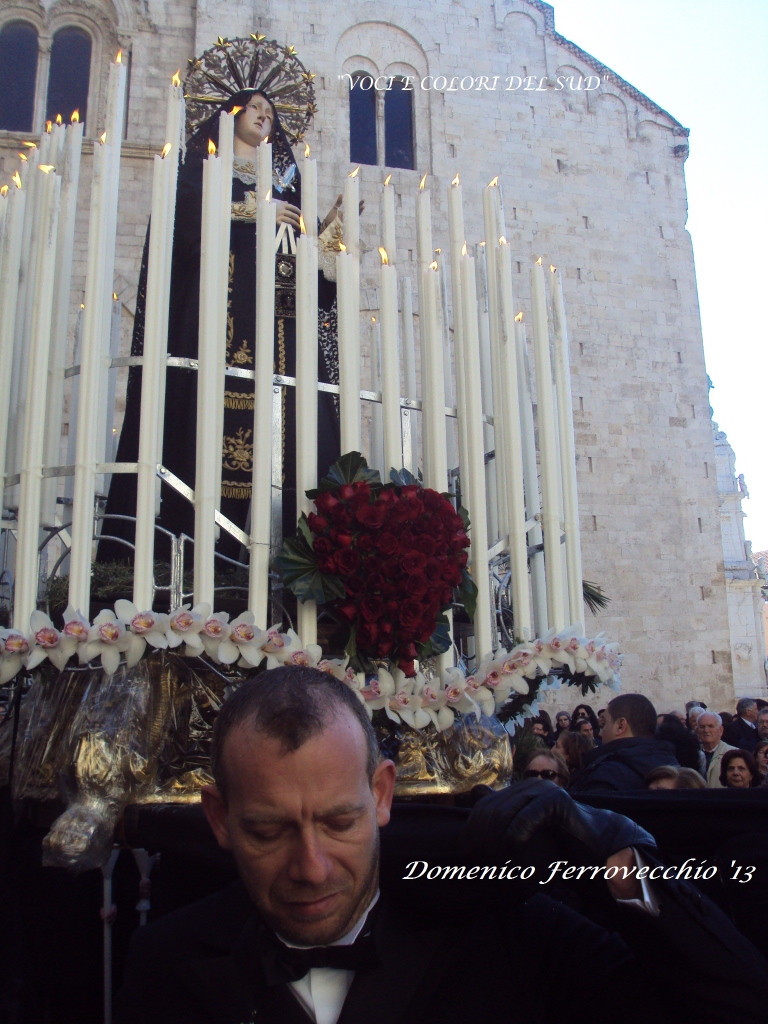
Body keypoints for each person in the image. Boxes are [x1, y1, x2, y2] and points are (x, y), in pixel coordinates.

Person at [116, 666, 766, 1024]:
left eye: (340, 823)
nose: (311, 868)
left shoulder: (508, 935)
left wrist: (621, 858)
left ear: (382, 795)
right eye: (268, 831)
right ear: (220, 818)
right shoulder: (165, 963)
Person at [103, 87, 345, 562]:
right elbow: (183, 229)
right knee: (203, 432)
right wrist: (253, 210)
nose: (264, 115)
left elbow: (315, 278)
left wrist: (331, 231)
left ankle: (290, 562)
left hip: (280, 334)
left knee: (293, 437)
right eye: (255, 107)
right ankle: (194, 559)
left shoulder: (289, 188)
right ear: (232, 115)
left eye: (270, 111)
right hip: (218, 324)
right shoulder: (205, 170)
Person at [568, 694, 678, 795]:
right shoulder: (672, 764)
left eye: (605, 723)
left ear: (620, 726)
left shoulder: (606, 774)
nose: (601, 732)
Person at [695, 712, 737, 788]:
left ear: (720, 730)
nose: (706, 730)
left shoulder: (734, 753)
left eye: (711, 726)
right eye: (702, 727)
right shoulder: (691, 754)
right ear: (697, 731)